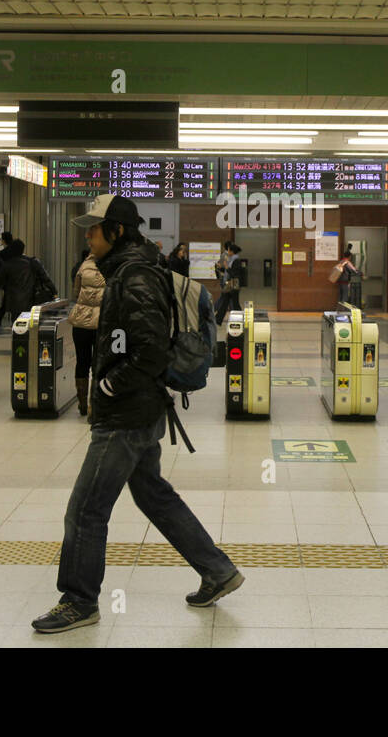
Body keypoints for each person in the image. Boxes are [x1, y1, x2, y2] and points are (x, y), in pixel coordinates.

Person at [31, 194, 242, 634]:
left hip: (126, 415)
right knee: (153, 495)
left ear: (117, 231)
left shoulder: (135, 276)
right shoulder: (131, 270)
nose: (87, 236)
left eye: (94, 228)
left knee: (86, 510)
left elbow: (147, 348)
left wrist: (109, 384)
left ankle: (78, 600)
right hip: (141, 408)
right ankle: (217, 570)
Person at [68, 248, 104, 418]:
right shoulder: (111, 267)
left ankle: (82, 403)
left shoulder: (82, 267)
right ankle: (93, 406)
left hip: (81, 321)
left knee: (82, 361)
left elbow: (75, 293)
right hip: (101, 322)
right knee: (98, 364)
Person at [0, 239, 56, 327]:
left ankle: (18, 339)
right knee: (29, 326)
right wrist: (54, 291)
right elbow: (45, 278)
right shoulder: (32, 262)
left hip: (13, 303)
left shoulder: (8, 265)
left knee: (17, 327)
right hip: (30, 300)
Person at [214, 244, 246, 326]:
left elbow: (234, 273)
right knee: (225, 302)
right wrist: (221, 268)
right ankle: (218, 320)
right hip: (229, 284)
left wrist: (227, 268)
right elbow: (227, 271)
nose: (227, 252)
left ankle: (240, 320)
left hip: (234, 284)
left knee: (234, 303)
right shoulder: (231, 260)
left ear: (232, 251)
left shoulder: (236, 261)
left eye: (228, 250)